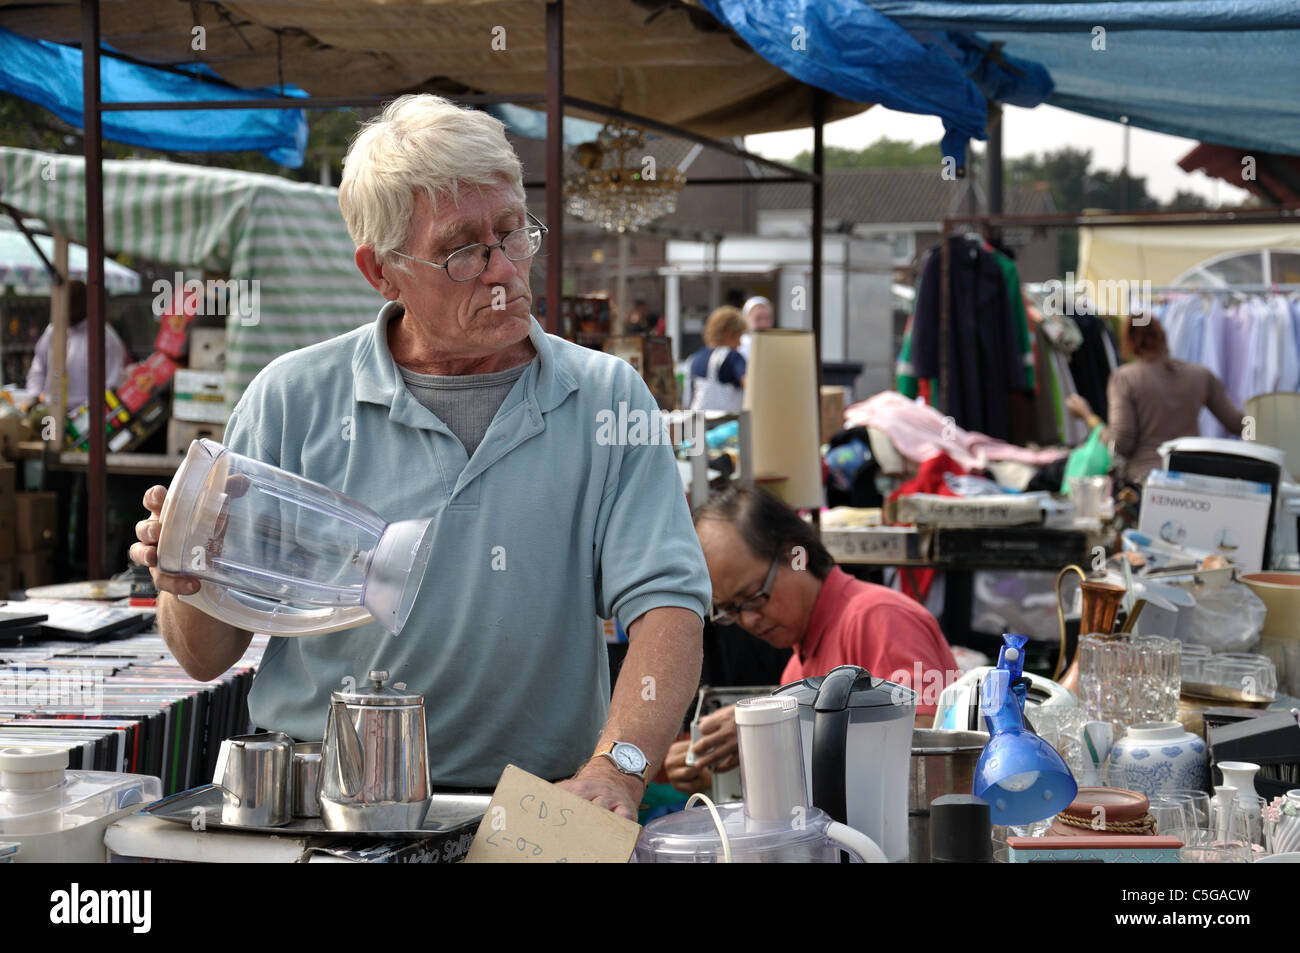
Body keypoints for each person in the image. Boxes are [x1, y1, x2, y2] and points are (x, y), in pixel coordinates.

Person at [129, 95, 711, 821]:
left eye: (513, 233)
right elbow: (205, 656)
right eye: (463, 249)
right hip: (323, 806)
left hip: (537, 809)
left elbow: (667, 605)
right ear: (382, 272)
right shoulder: (291, 398)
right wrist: (187, 570)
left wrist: (618, 768)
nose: (503, 270)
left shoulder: (605, 398)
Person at [665, 486, 959, 794]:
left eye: (753, 597)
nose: (749, 620)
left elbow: (923, 747)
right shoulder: (796, 669)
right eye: (731, 610)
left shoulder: (879, 618)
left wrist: (773, 729)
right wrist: (718, 768)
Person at [1066, 315, 1243, 484]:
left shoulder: (1125, 378)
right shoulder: (1201, 375)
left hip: (1146, 481)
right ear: (1163, 336)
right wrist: (1259, 410)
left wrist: (1088, 416)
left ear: (1129, 341)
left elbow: (1121, 443)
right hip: (1192, 477)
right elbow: (1237, 423)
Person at [25, 279, 128, 409]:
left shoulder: (104, 336)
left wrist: (86, 412)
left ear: (85, 304)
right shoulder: (52, 331)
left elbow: (112, 383)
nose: (66, 309)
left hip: (87, 414)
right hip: (51, 409)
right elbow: (38, 369)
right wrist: (34, 396)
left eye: (71, 304)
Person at [687, 305, 747, 413]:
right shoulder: (733, 357)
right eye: (739, 337)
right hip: (727, 421)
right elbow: (748, 383)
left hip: (697, 420)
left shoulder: (694, 358)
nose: (740, 343)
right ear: (729, 333)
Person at [738, 295, 773, 362]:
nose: (763, 324)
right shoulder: (739, 344)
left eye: (767, 318)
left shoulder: (776, 345)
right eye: (758, 319)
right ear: (746, 319)